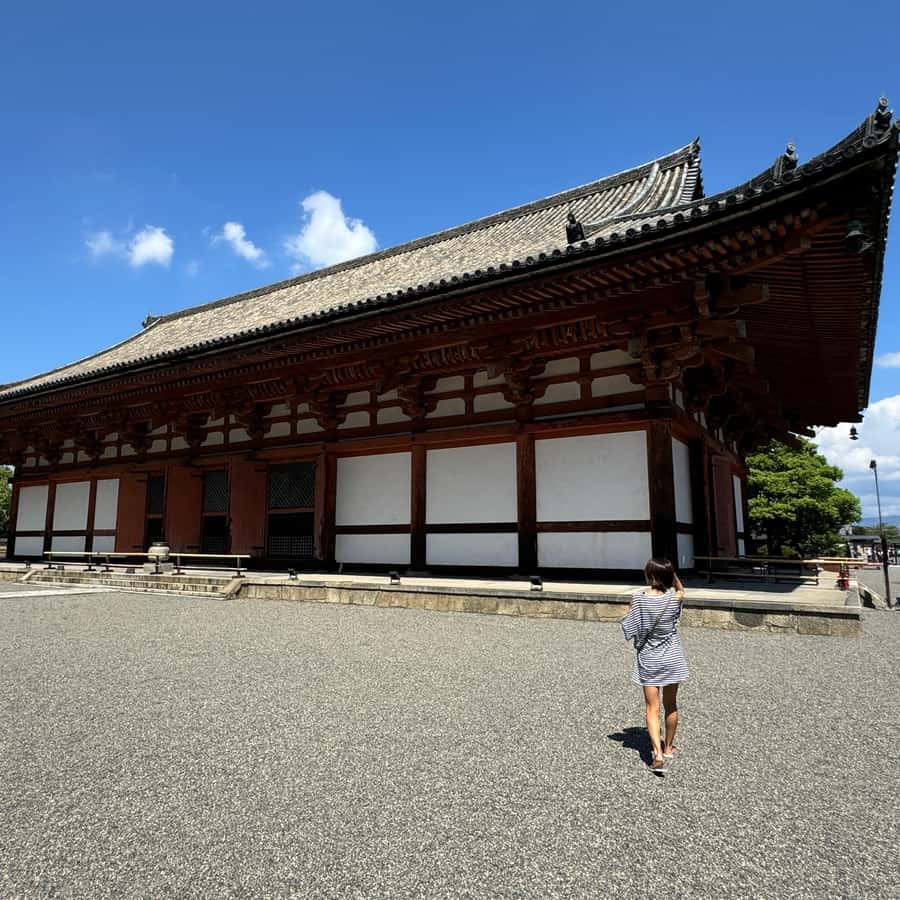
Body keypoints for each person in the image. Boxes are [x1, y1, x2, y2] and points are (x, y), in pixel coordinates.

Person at [621, 558, 689, 774]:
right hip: (672, 657)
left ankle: (657, 754)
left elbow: (628, 628)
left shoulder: (638, 599)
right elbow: (681, 589)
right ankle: (668, 747)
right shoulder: (674, 598)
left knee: (652, 707)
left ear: (650, 575)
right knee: (671, 704)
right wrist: (672, 575)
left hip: (650, 657)